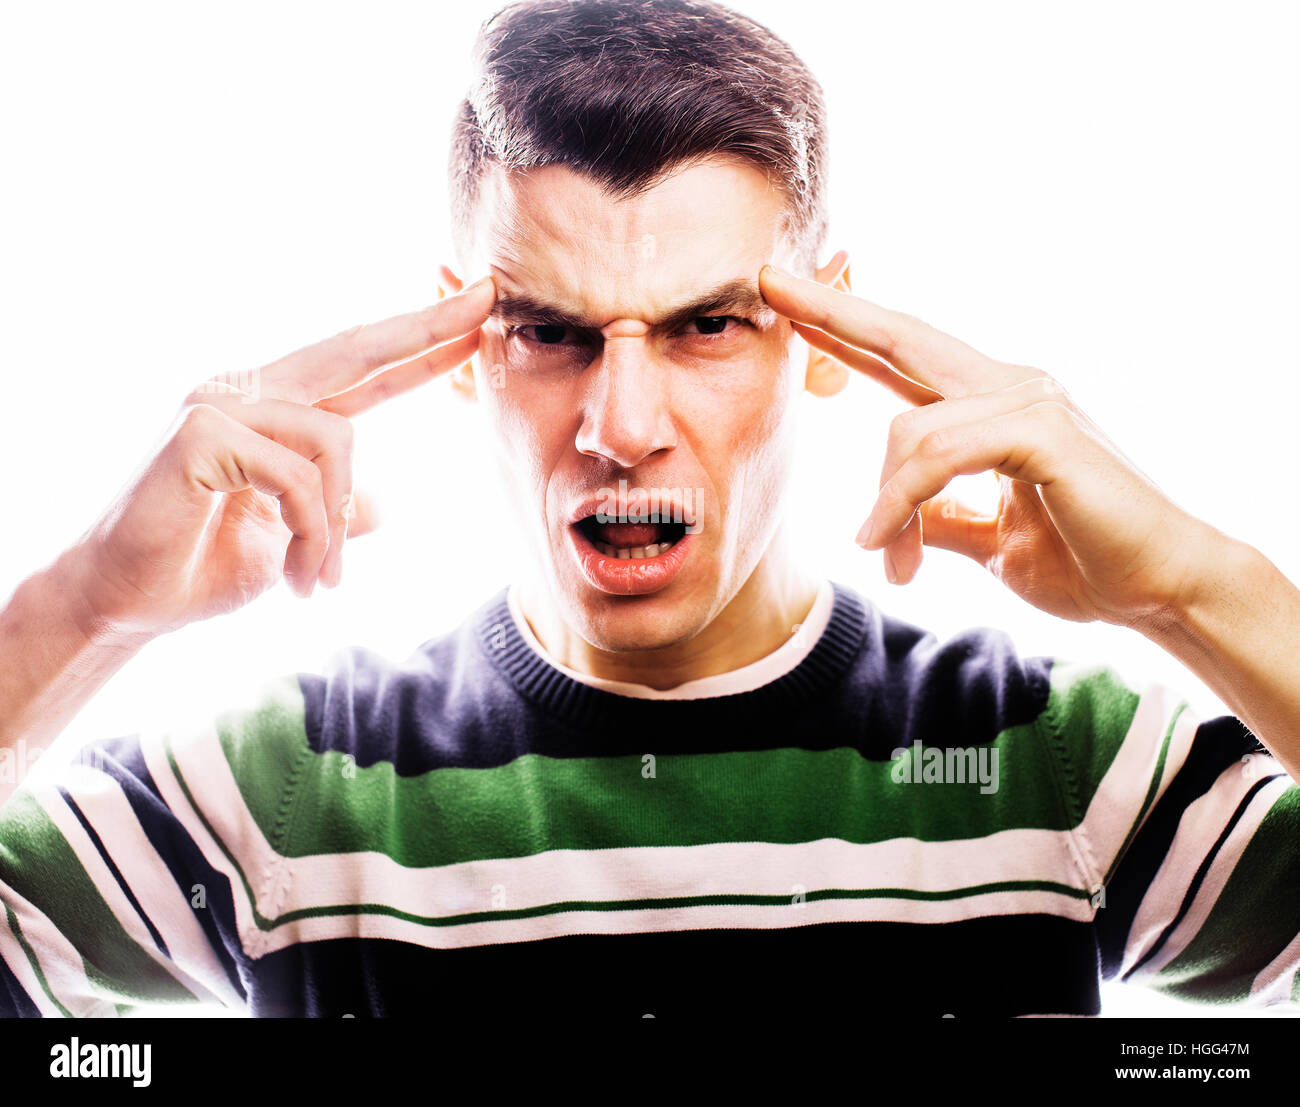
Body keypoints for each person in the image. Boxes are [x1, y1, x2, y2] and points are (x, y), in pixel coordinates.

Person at [1, 0, 1297, 1018]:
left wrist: (1196, 586)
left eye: (709, 325)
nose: (622, 427)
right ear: (462, 348)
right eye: (552, 331)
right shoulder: (285, 793)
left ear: (829, 331)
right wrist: (82, 609)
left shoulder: (1062, 764)